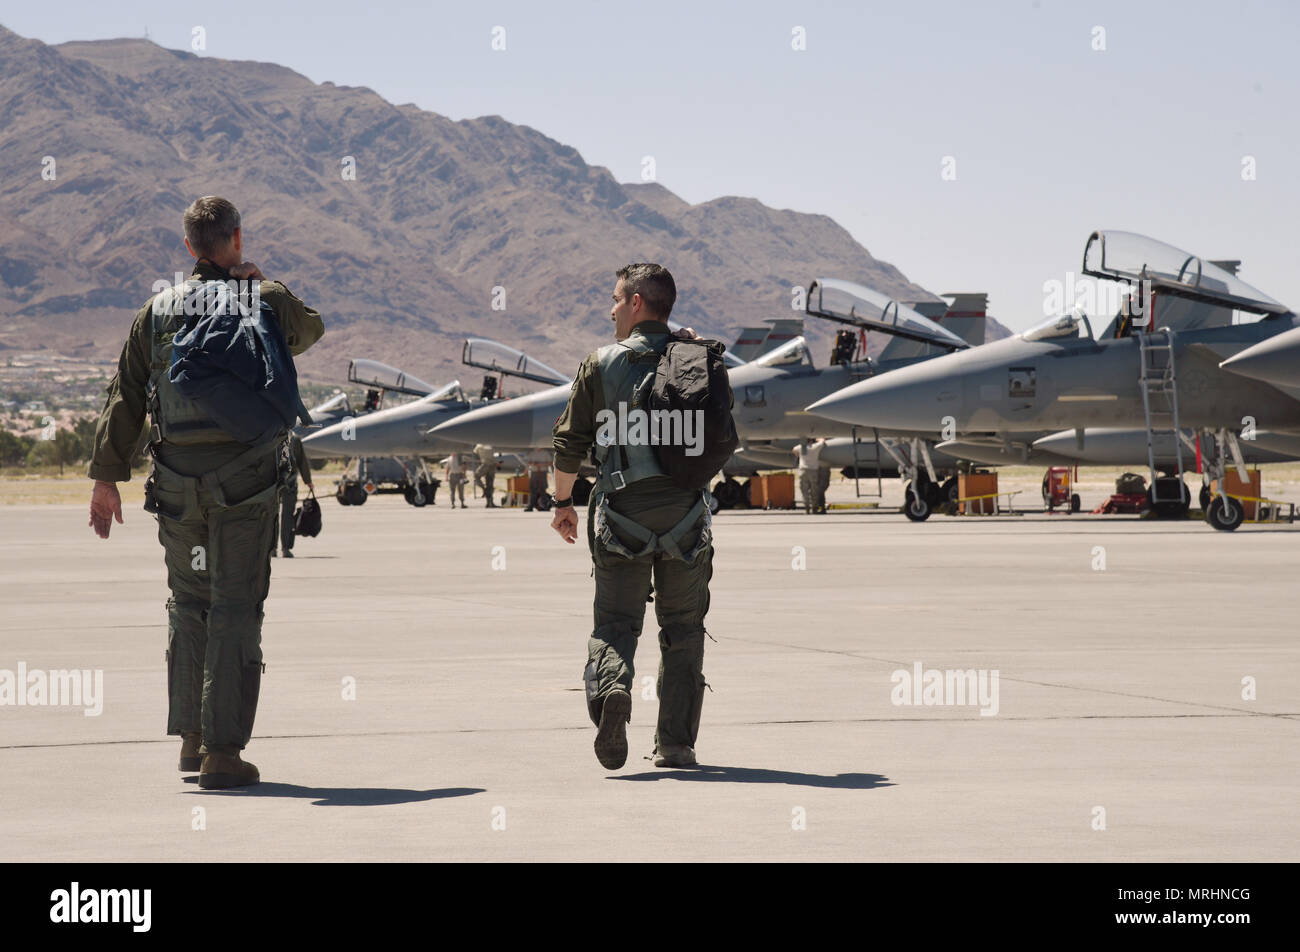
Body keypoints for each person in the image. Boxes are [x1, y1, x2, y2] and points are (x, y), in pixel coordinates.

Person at [86, 196, 323, 790]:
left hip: (176, 488)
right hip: (245, 484)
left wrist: (105, 477)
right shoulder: (260, 299)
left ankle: (191, 739)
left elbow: (126, 396)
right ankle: (223, 751)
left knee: (189, 602)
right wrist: (266, 284)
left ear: (189, 247)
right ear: (236, 240)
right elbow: (310, 330)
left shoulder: (158, 309)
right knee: (237, 606)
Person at [551, 263, 718, 770]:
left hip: (621, 513)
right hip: (687, 517)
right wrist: (692, 349)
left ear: (637, 303)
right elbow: (722, 437)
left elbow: (568, 443)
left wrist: (562, 505)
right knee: (684, 630)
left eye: (617, 299)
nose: (612, 308)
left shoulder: (601, 364)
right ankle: (675, 744)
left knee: (617, 623)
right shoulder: (698, 358)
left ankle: (614, 693)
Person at [275, 434, 313, 557]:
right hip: (289, 483)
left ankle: (272, 549)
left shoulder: (270, 436)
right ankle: (285, 548)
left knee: (272, 516)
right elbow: (302, 461)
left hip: (273, 484)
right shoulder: (294, 439)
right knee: (287, 516)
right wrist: (308, 481)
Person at [795, 436, 827, 514]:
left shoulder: (801, 447)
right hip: (813, 471)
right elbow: (823, 441)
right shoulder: (815, 447)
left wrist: (799, 456)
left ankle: (807, 508)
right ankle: (814, 508)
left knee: (804, 490)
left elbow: (794, 450)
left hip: (803, 471)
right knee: (814, 490)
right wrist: (818, 439)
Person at [473, 443, 497, 507]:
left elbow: (475, 453)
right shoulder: (490, 444)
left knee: (476, 476)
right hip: (492, 465)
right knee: (490, 485)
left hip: (485, 464)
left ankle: (485, 490)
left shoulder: (478, 445)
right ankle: (490, 502)